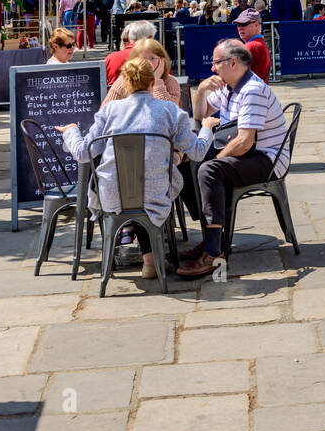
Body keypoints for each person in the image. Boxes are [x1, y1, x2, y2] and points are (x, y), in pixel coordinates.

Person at [59, 56, 219, 280]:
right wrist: (207, 127)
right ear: (154, 83)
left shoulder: (109, 111)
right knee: (151, 181)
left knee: (131, 184)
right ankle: (152, 256)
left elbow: (83, 153)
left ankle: (149, 258)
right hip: (156, 195)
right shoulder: (170, 111)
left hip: (112, 197)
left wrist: (71, 130)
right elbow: (197, 152)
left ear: (125, 83)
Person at [177, 40, 288, 279]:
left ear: (234, 63)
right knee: (186, 162)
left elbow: (245, 142)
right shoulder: (230, 86)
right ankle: (211, 236)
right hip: (246, 151)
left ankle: (214, 252)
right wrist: (202, 89)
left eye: (216, 63)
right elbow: (198, 114)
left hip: (266, 158)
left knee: (209, 170)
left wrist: (214, 159)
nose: (213, 69)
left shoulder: (252, 91)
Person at [104, 39, 180, 105]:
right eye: (144, 58)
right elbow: (105, 110)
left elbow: (171, 111)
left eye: (153, 58)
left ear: (162, 60)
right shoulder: (124, 80)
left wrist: (157, 82)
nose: (149, 62)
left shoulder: (170, 81)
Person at [105, 20, 157, 85]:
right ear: (150, 38)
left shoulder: (110, 58)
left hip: (114, 93)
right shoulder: (155, 59)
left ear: (129, 38)